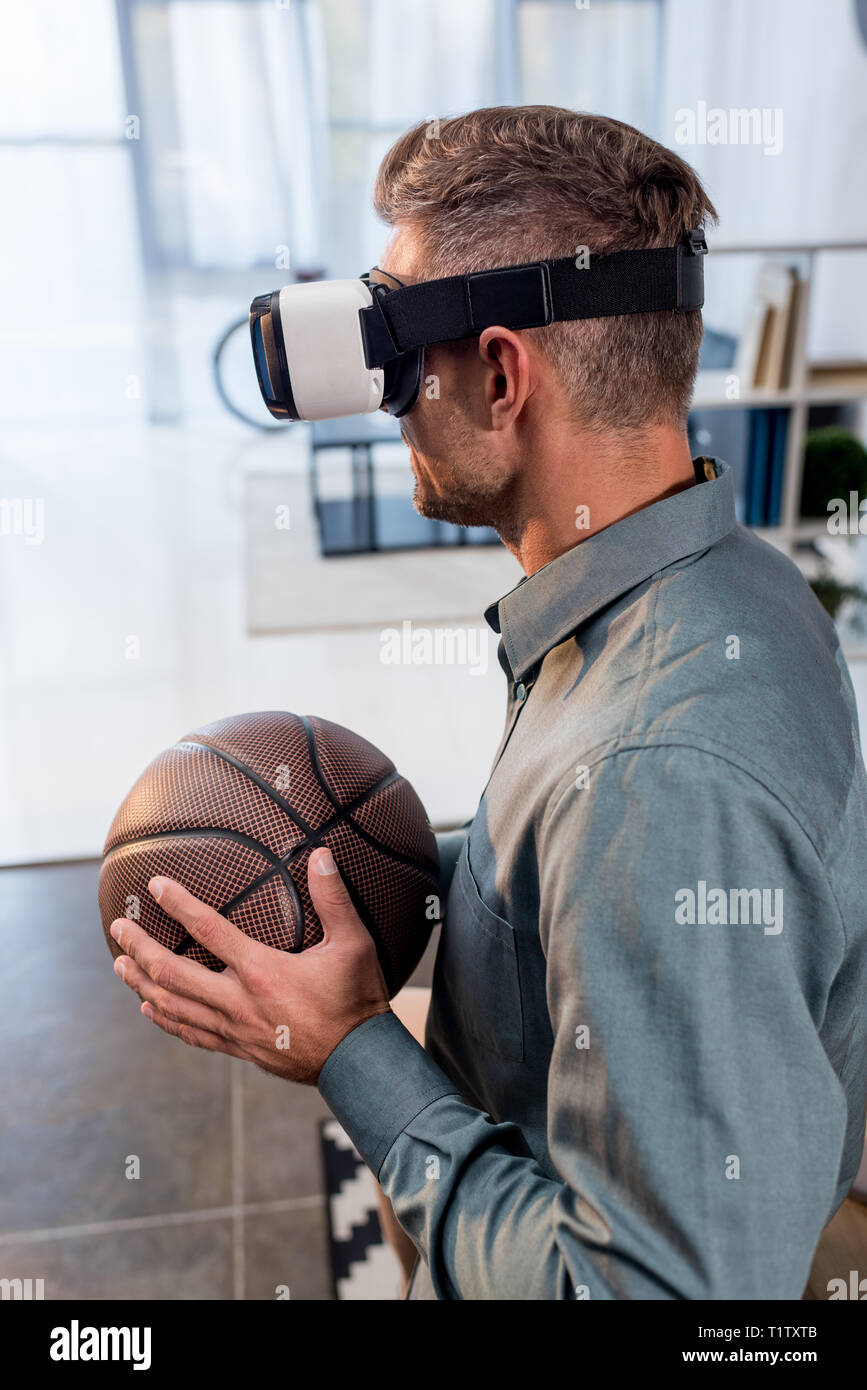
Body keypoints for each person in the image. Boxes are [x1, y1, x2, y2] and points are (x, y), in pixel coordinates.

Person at [109, 107, 867, 1300]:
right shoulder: (735, 585)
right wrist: (349, 867)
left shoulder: (656, 770)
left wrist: (352, 1048)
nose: (391, 401)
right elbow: (591, 881)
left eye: (401, 358)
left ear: (504, 374)